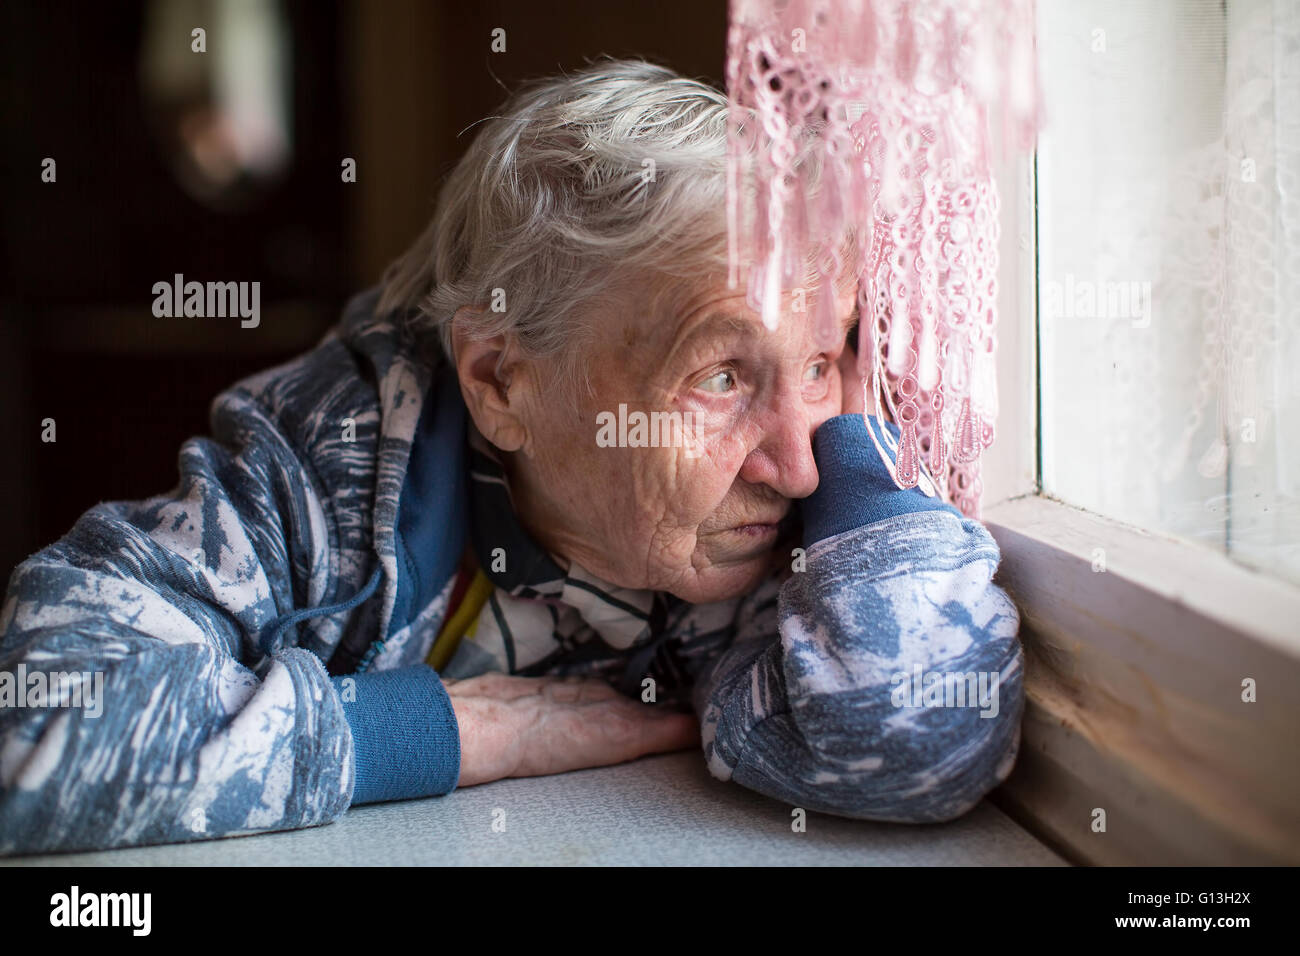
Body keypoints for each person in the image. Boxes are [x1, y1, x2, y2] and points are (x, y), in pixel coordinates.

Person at [0, 56, 1023, 856]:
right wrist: (443, 733)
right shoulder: (333, 459)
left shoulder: (790, 520)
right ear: (499, 383)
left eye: (820, 361)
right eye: (718, 376)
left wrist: (865, 460)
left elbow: (920, 737)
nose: (796, 467)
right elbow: (35, 730)